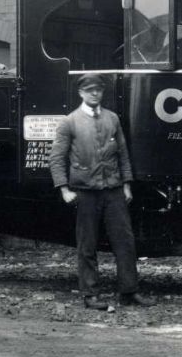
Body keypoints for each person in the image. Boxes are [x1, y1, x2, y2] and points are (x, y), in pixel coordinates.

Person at [48, 73, 155, 310]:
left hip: (114, 190)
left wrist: (126, 184)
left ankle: (129, 292)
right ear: (81, 93)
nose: (94, 93)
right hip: (85, 192)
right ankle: (90, 295)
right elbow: (56, 158)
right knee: (87, 244)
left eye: (98, 90)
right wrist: (64, 189)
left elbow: (123, 154)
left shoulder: (112, 119)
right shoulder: (70, 122)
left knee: (125, 242)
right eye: (90, 90)